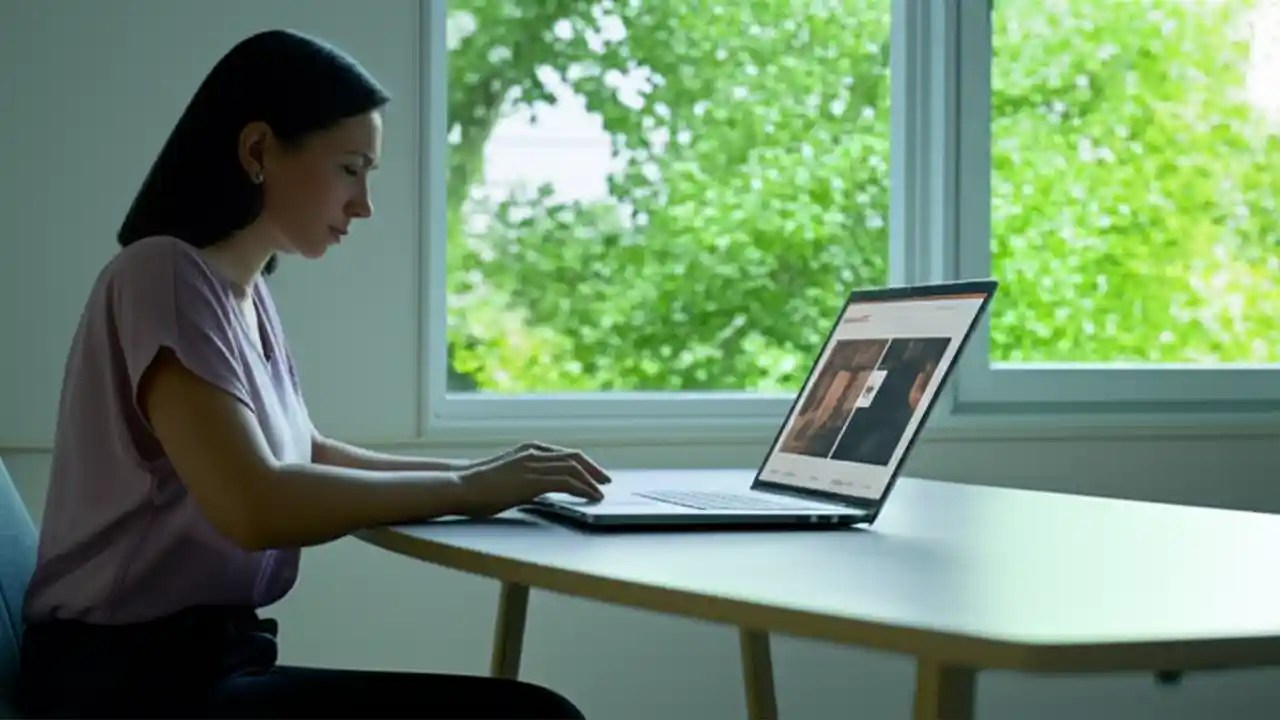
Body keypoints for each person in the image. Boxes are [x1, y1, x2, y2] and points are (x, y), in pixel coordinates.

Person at [15, 28, 606, 719]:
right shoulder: (162, 274)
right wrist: (466, 487)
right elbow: (255, 503)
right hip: (129, 683)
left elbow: (306, 453)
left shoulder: (244, 291)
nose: (364, 204)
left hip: (205, 663)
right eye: (351, 168)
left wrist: (489, 474)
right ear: (258, 150)